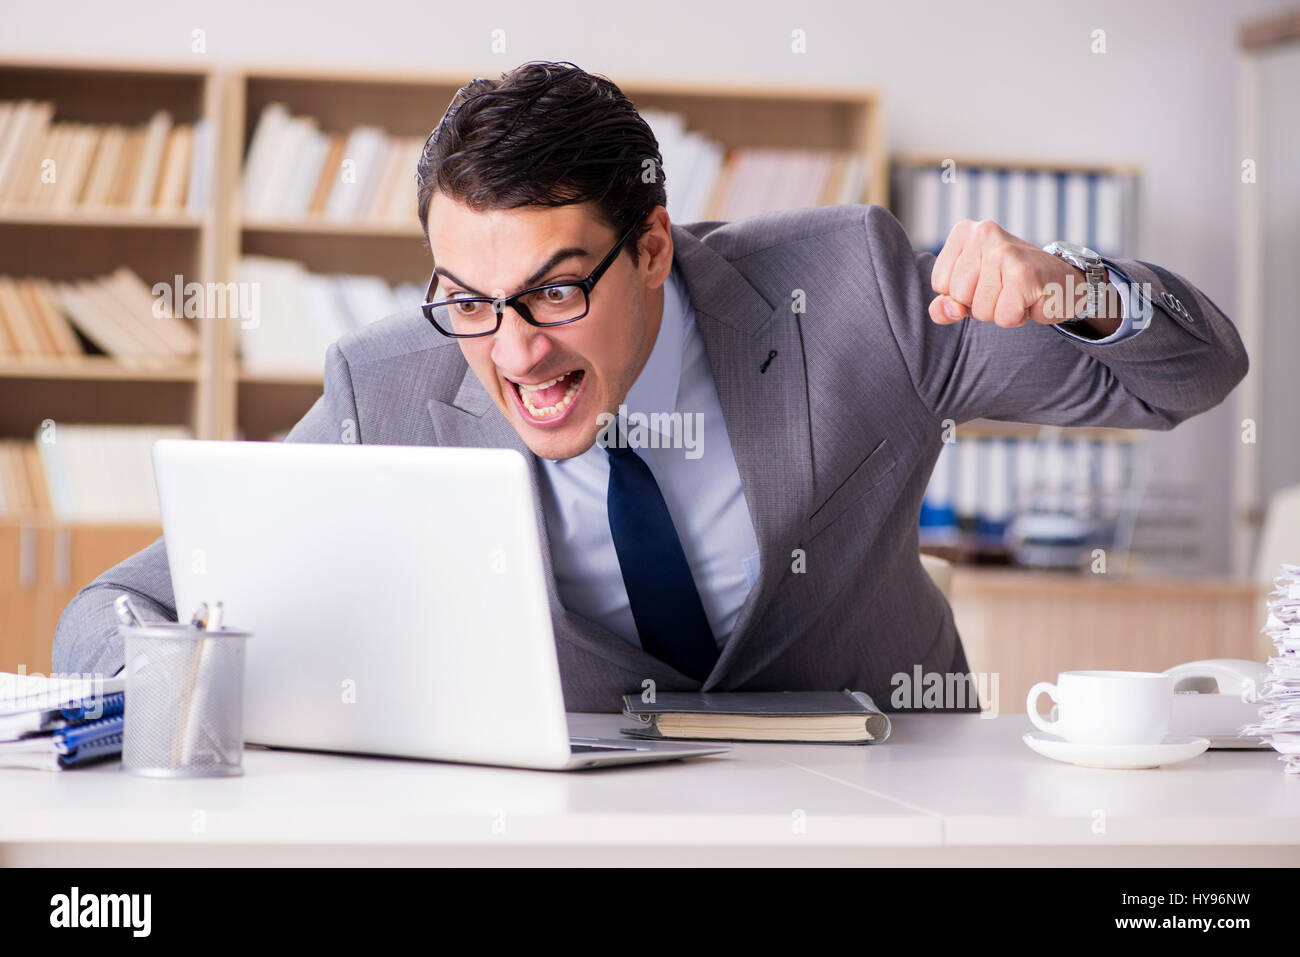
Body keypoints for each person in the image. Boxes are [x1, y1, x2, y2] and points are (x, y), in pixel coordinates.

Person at [52, 61, 1248, 713]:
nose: (515, 352)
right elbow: (111, 610)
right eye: (469, 299)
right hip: (579, 835)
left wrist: (1077, 287)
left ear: (657, 247)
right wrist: (193, 692)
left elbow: (1190, 374)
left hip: (891, 797)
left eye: (557, 291)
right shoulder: (390, 388)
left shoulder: (852, 299)